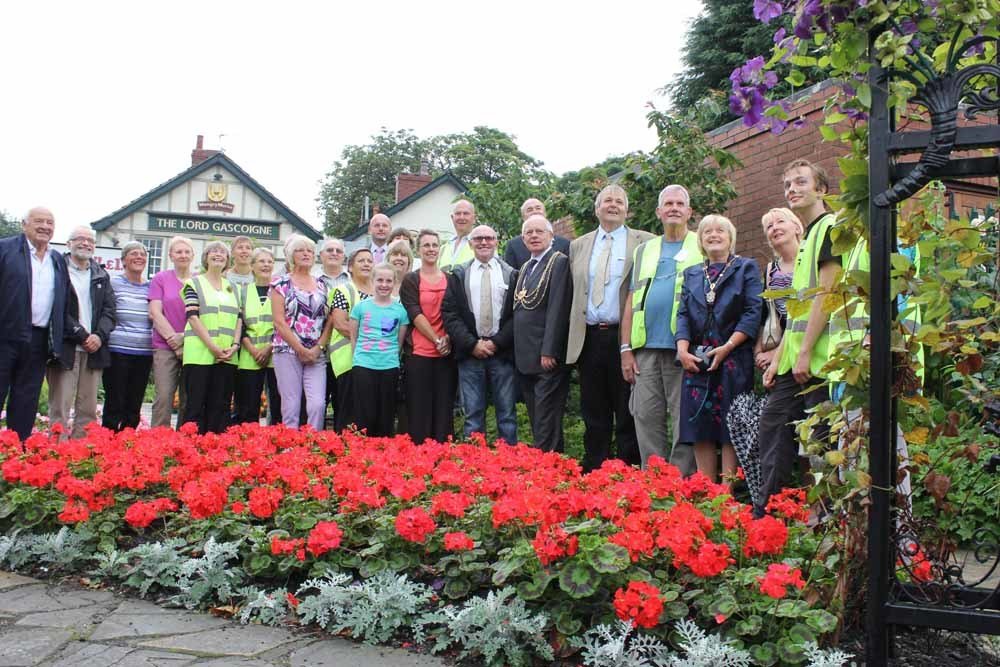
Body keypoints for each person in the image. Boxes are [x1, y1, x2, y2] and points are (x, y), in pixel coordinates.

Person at [757, 159, 842, 516]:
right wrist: (778, 360)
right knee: (773, 428)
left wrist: (805, 353)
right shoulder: (808, 239)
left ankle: (826, 522)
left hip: (821, 361)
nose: (792, 189)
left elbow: (828, 292)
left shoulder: (831, 228)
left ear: (820, 189)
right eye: (788, 184)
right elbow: (796, 314)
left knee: (821, 443)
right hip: (795, 362)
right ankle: (767, 518)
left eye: (801, 182)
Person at [567, 185, 654, 470]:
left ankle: (629, 471)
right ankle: (595, 471)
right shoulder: (578, 245)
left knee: (627, 409)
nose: (613, 205)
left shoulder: (645, 242)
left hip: (625, 338)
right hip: (589, 338)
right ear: (597, 208)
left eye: (619, 201)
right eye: (607, 201)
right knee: (593, 411)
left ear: (627, 210)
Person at [620, 185, 704, 471]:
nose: (674, 208)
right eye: (668, 203)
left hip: (685, 348)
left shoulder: (701, 244)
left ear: (689, 212)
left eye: (680, 203)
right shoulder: (644, 250)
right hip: (645, 350)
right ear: (658, 212)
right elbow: (632, 299)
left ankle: (681, 483)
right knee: (644, 416)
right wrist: (625, 349)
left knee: (685, 419)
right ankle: (654, 483)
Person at [675, 215, 762, 482]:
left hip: (734, 356)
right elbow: (683, 314)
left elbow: (753, 311)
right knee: (698, 422)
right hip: (698, 358)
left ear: (730, 237)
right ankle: (705, 486)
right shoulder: (692, 273)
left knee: (731, 423)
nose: (714, 235)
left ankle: (727, 490)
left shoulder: (746, 268)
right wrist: (682, 349)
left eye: (720, 231)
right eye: (707, 232)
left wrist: (727, 346)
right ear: (700, 240)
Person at [442, 224, 518, 444]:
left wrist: (496, 342)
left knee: (507, 416)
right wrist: (472, 344)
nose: (484, 242)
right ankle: (473, 467)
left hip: (502, 355)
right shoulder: (458, 275)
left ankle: (510, 465)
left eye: (489, 238)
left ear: (496, 242)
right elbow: (450, 313)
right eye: (478, 239)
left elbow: (517, 314)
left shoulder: (511, 274)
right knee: (472, 417)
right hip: (470, 355)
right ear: (470, 243)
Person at [0, 207, 70, 441]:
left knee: (26, 399)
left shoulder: (57, 259)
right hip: (5, 335)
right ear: (24, 224)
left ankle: (16, 452)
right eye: (39, 221)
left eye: (50, 222)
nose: (45, 226)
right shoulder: (5, 249)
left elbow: (63, 301)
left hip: (39, 340)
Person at [46, 226, 115, 439]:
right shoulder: (57, 269)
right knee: (60, 406)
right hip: (65, 348)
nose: (85, 243)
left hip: (94, 350)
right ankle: (55, 456)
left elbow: (109, 311)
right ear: (69, 243)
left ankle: (80, 457)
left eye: (90, 240)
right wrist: (81, 334)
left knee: (87, 409)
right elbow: (55, 308)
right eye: (80, 239)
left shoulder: (101, 274)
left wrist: (98, 336)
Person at [511, 215, 572, 452]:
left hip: (546, 357)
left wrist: (549, 350)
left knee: (547, 418)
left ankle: (545, 468)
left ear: (551, 236)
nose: (534, 236)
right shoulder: (526, 267)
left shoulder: (558, 262)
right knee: (538, 417)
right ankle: (551, 463)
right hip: (525, 357)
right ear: (523, 238)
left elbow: (558, 308)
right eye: (529, 232)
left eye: (539, 231)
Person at [401, 230, 457, 443]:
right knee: (419, 409)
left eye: (434, 245)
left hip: (446, 355)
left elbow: (455, 313)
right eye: (426, 245)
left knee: (444, 409)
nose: (431, 249)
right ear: (418, 250)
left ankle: (443, 458)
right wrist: (436, 339)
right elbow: (414, 313)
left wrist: (449, 340)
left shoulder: (451, 279)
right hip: (419, 354)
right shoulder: (411, 280)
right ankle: (419, 460)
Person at [181, 241, 241, 434]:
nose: (218, 255)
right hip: (200, 355)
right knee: (195, 407)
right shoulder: (194, 283)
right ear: (205, 258)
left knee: (221, 407)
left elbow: (239, 319)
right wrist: (213, 347)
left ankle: (215, 453)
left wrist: (235, 345)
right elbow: (193, 317)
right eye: (213, 251)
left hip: (228, 356)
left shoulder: (234, 288)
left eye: (223, 252)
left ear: (228, 259)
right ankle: (190, 452)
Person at [271, 235, 330, 430]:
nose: (306, 254)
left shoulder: (322, 285)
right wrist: (299, 349)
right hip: (287, 350)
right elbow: (279, 321)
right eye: (300, 250)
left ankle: (313, 448)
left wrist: (318, 347)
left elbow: (329, 320)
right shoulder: (280, 284)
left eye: (310, 251)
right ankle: (290, 452)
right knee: (291, 406)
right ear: (290, 255)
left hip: (316, 352)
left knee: (317, 405)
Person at [349, 264, 409, 436]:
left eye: (389, 281)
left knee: (386, 413)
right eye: (380, 280)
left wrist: (388, 356)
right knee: (364, 413)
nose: (384, 284)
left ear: (394, 283)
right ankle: (362, 451)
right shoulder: (360, 307)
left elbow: (399, 341)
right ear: (372, 281)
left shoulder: (400, 310)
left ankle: (382, 451)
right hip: (363, 365)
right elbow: (354, 337)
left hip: (388, 366)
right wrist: (358, 359)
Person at [103, 242, 154, 432]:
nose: (139, 257)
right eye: (134, 253)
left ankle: (128, 443)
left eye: (142, 254)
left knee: (134, 403)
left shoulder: (151, 286)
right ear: (123, 260)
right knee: (115, 399)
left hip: (144, 352)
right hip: (118, 350)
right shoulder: (114, 283)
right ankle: (107, 441)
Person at [323, 248, 374, 431]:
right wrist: (370, 340)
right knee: (348, 415)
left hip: (374, 362)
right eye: (361, 261)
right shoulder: (343, 290)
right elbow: (340, 324)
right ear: (350, 267)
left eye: (369, 261)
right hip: (348, 361)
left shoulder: (380, 291)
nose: (366, 264)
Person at [149, 236, 195, 428]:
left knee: (189, 398)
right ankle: (159, 442)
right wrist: (173, 340)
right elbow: (155, 313)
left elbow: (202, 316)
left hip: (193, 347)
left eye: (186, 252)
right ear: (171, 255)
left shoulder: (199, 280)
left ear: (193, 255)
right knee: (164, 396)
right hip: (164, 347)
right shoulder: (161, 279)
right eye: (178, 251)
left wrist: (184, 338)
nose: (183, 255)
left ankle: (184, 442)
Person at [753, 209, 803, 372]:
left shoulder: (810, 259)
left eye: (780, 221)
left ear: (796, 227)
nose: (774, 228)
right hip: (781, 354)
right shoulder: (770, 270)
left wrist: (776, 354)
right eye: (769, 226)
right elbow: (766, 313)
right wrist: (759, 350)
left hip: (807, 346)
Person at [235, 248, 280, 425]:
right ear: (252, 266)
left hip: (275, 355)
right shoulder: (243, 292)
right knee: (247, 406)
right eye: (261, 261)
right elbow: (239, 323)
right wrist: (254, 350)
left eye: (269, 261)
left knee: (277, 404)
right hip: (249, 356)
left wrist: (269, 347)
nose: (266, 265)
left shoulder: (280, 290)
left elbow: (284, 322)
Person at [316, 237, 350, 426]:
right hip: (318, 353)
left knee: (342, 405)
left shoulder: (353, 281)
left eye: (338, 250)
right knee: (317, 405)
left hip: (344, 353)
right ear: (321, 255)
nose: (334, 253)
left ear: (344, 256)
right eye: (329, 250)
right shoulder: (312, 281)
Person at [504, 198, 570, 270]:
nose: (535, 212)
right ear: (523, 217)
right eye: (529, 210)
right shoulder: (513, 245)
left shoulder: (564, 243)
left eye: (538, 208)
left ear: (545, 213)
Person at [437, 200, 476, 270]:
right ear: (452, 217)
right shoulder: (444, 248)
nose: (461, 217)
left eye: (466, 213)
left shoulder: (482, 245)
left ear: (474, 218)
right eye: (458, 213)